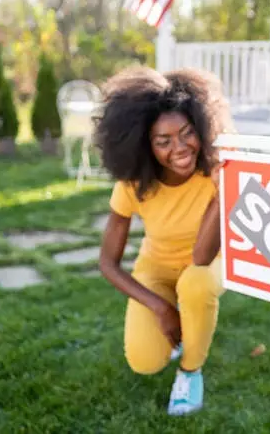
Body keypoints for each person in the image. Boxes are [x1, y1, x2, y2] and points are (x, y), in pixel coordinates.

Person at [95, 65, 234, 416]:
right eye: (164, 141)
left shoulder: (215, 171)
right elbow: (108, 263)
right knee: (144, 360)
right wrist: (160, 308)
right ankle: (182, 328)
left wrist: (222, 194)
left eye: (188, 133)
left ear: (202, 127)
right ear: (144, 144)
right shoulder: (133, 183)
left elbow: (202, 257)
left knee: (196, 283)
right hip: (156, 267)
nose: (181, 147)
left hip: (207, 264)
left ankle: (191, 371)